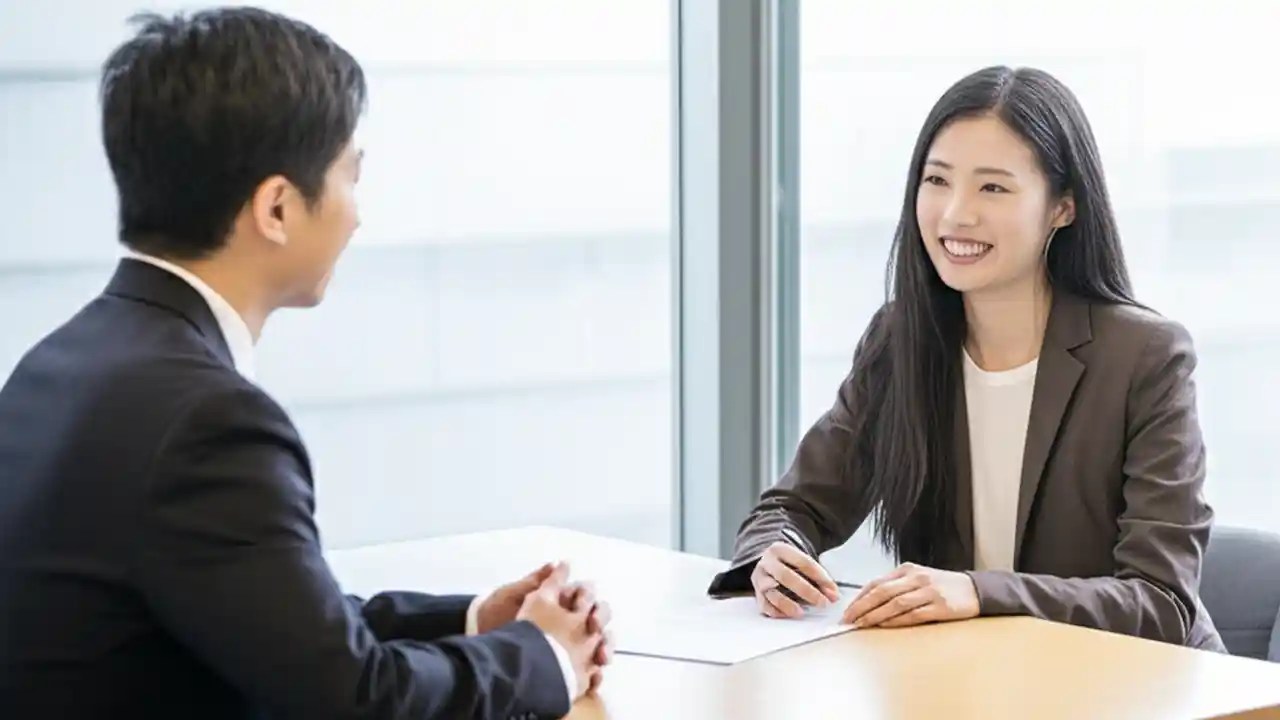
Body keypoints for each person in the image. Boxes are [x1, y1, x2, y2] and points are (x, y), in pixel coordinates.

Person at [0, 8, 612, 719]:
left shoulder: (59, 365)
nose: (357, 215)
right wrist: (544, 659)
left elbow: (264, 620)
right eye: (351, 174)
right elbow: (352, 700)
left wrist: (479, 618)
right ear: (278, 208)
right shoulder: (208, 422)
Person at [707, 65, 1226, 652]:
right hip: (977, 684)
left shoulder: (1145, 357)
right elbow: (796, 505)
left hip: (1149, 693)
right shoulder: (901, 340)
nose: (955, 214)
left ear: (1063, 206)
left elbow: (1160, 603)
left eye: (993, 187)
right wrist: (774, 555)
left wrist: (980, 593)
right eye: (937, 180)